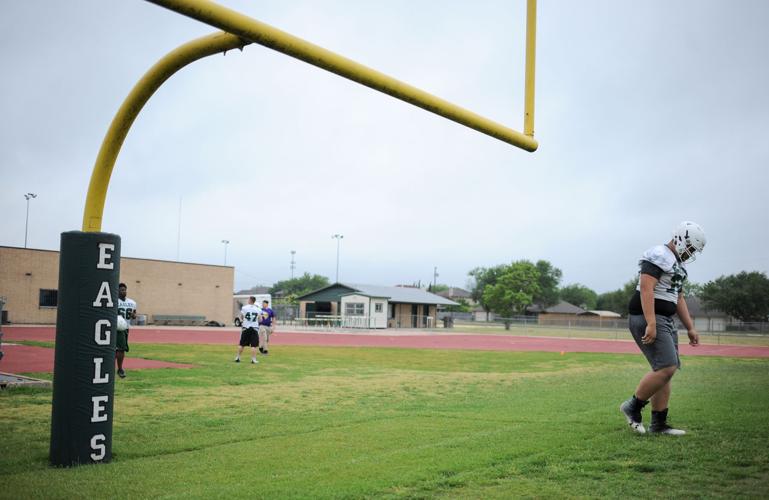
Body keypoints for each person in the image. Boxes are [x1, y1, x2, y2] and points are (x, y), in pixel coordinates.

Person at [620, 221, 706, 435]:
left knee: (665, 370)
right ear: (680, 238)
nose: (690, 253)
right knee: (667, 366)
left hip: (664, 318)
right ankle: (633, 406)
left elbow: (678, 297)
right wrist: (651, 322)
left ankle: (658, 424)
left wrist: (690, 327)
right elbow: (647, 289)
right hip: (648, 316)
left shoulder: (678, 264)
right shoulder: (659, 254)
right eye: (690, 247)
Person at [116, 283, 137, 379]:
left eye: (124, 290)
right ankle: (120, 369)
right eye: (121, 290)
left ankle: (119, 368)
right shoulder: (113, 301)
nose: (123, 291)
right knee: (119, 349)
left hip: (125, 328)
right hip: (114, 327)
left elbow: (134, 315)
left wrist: (134, 316)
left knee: (121, 349)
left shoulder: (132, 302)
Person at [235, 296, 261, 364]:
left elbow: (241, 317)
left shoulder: (244, 308)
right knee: (254, 345)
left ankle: (238, 357)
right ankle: (253, 359)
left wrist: (244, 321)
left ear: (250, 300)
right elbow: (260, 319)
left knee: (241, 344)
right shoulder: (258, 309)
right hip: (254, 328)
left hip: (246, 328)